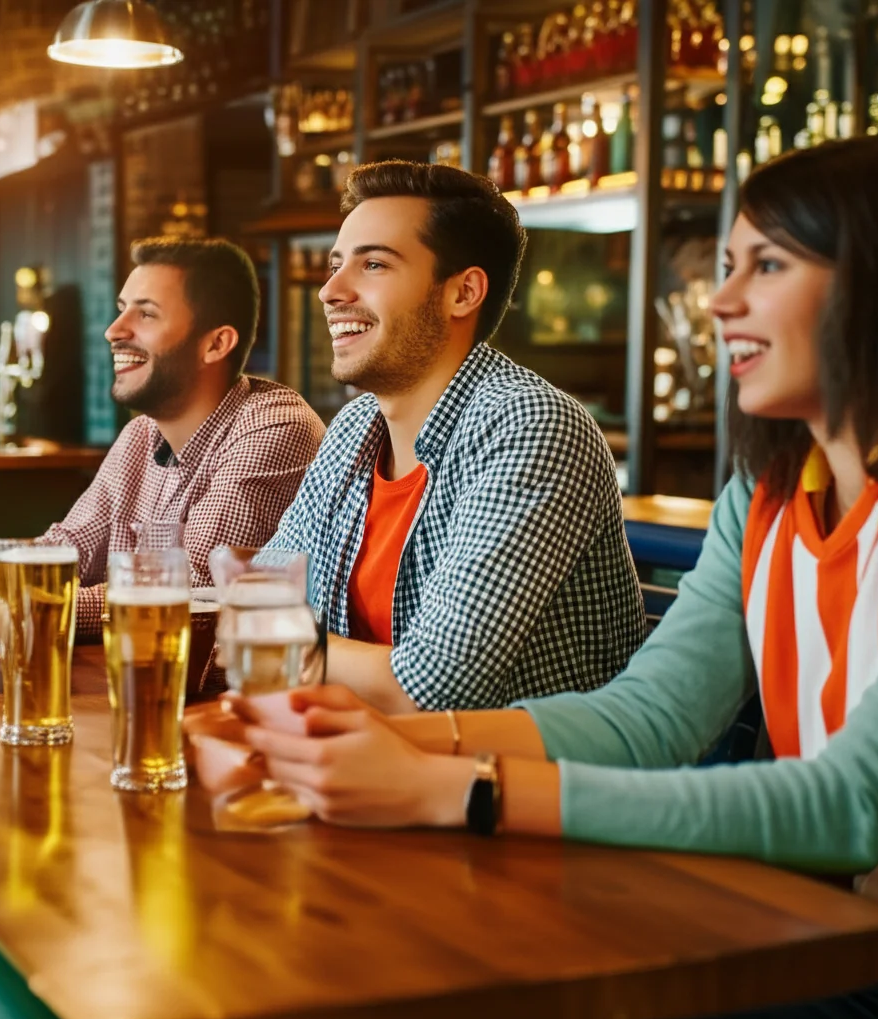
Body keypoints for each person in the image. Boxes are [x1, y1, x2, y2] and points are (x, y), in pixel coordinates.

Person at [190, 136, 878, 1019]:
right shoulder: (762, 494)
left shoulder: (531, 423)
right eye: (727, 268)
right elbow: (647, 719)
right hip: (813, 933)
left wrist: (449, 783)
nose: (720, 303)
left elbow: (849, 806)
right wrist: (385, 748)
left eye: (768, 265)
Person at [262, 160, 645, 713]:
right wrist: (272, 631)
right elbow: (263, 590)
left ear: (463, 292)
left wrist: (277, 640)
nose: (330, 291)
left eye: (373, 264)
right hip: (357, 751)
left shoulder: (531, 426)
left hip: (509, 766)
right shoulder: (354, 427)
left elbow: (437, 686)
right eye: (336, 265)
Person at [0, 237, 325, 651]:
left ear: (216, 344)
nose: (114, 331)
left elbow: (195, 589)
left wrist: (31, 604)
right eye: (121, 309)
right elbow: (71, 543)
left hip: (221, 687)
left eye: (146, 313)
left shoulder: (275, 427)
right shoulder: (141, 433)